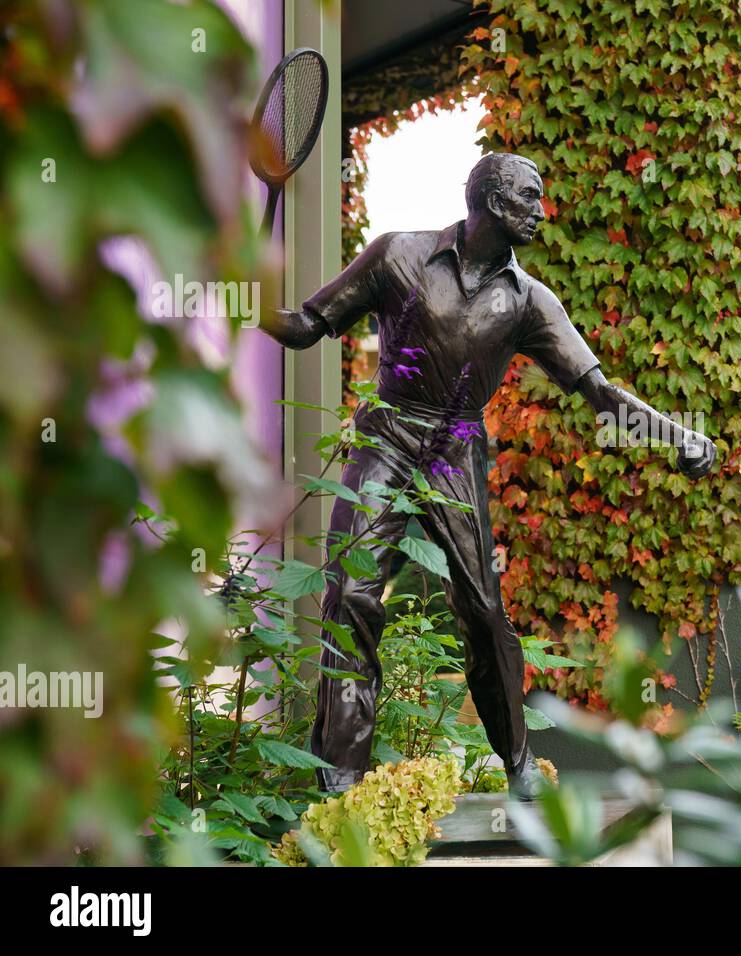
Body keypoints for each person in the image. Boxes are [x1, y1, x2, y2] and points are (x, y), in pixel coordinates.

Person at [259, 152, 716, 797]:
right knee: (351, 596)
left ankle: (520, 765)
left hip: (456, 449)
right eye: (530, 197)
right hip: (387, 435)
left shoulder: (530, 300)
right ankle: (340, 776)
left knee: (481, 608)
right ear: (494, 202)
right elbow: (303, 326)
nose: (541, 209)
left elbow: (600, 392)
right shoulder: (398, 254)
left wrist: (677, 435)